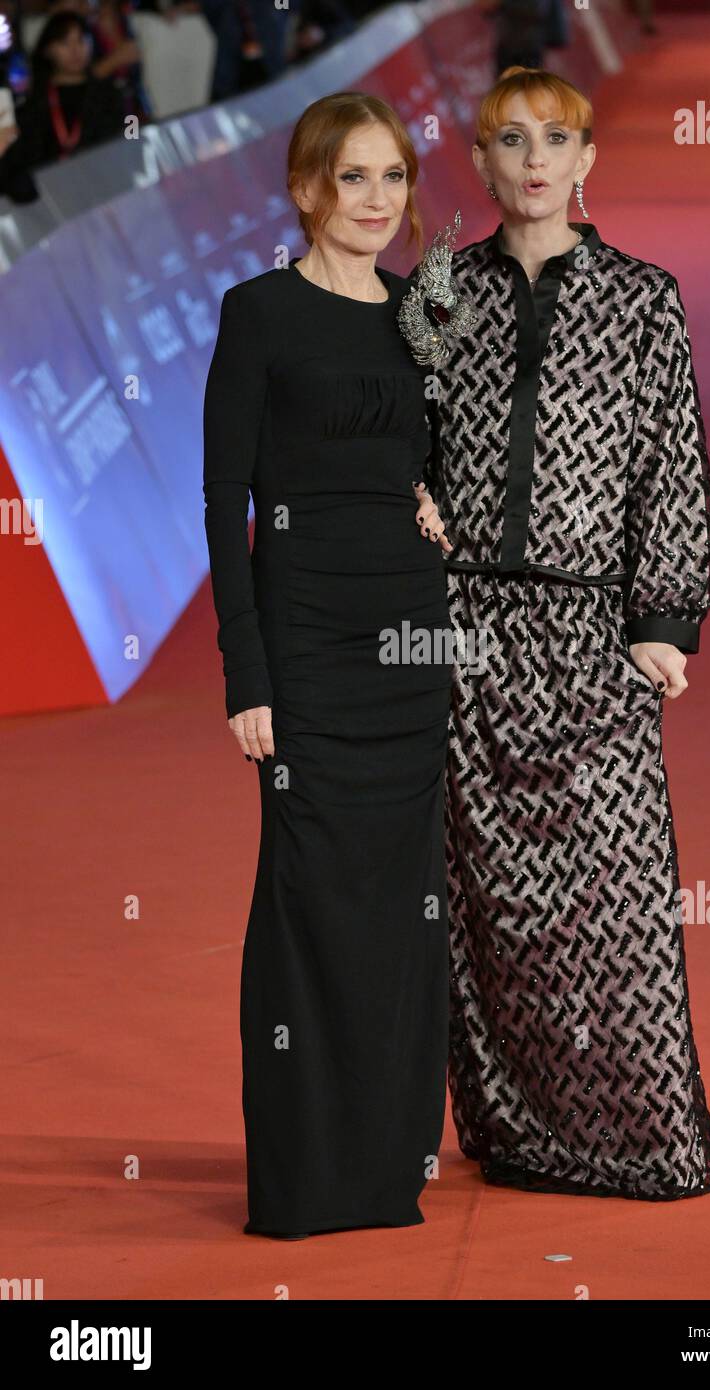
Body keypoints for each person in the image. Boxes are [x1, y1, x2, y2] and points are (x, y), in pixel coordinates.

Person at [411, 65, 710, 1200]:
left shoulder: (645, 298)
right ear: (482, 162)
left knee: (618, 890)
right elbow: (398, 432)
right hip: (466, 634)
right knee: (489, 896)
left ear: (588, 160)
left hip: (594, 631)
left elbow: (668, 467)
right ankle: (521, 1130)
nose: (533, 159)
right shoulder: (439, 291)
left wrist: (664, 617)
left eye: (554, 139)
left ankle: (644, 1141)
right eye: (508, 140)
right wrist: (407, 499)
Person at [202, 92, 453, 1238]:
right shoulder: (256, 312)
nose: (375, 201)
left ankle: (386, 1160)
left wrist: (433, 499)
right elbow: (223, 501)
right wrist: (244, 671)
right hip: (305, 645)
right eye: (350, 178)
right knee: (307, 897)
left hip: (408, 641)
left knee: (401, 908)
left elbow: (432, 454)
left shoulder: (416, 313)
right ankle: (306, 1175)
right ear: (305, 188)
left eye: (391, 178)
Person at [0, 10, 125, 204]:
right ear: (48, 49)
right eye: (65, 42)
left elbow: (132, 131)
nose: (75, 50)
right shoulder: (33, 103)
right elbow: (19, 159)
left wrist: (133, 144)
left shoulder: (113, 93)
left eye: (81, 40)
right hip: (50, 203)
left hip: (105, 195)